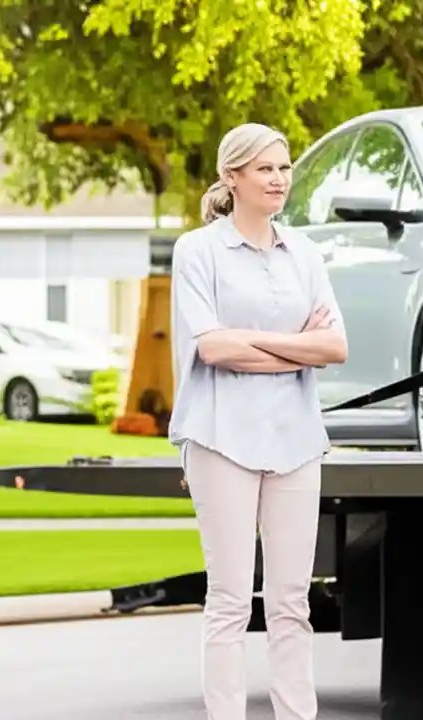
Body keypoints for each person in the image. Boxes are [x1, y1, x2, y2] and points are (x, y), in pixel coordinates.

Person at [168, 122, 349, 720]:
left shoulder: (306, 252)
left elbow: (335, 347)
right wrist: (294, 346)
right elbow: (212, 350)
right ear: (232, 177)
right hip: (221, 437)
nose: (279, 179)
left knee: (292, 600)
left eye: (285, 167)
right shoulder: (198, 251)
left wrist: (257, 343)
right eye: (265, 169)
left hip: (296, 439)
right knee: (227, 599)